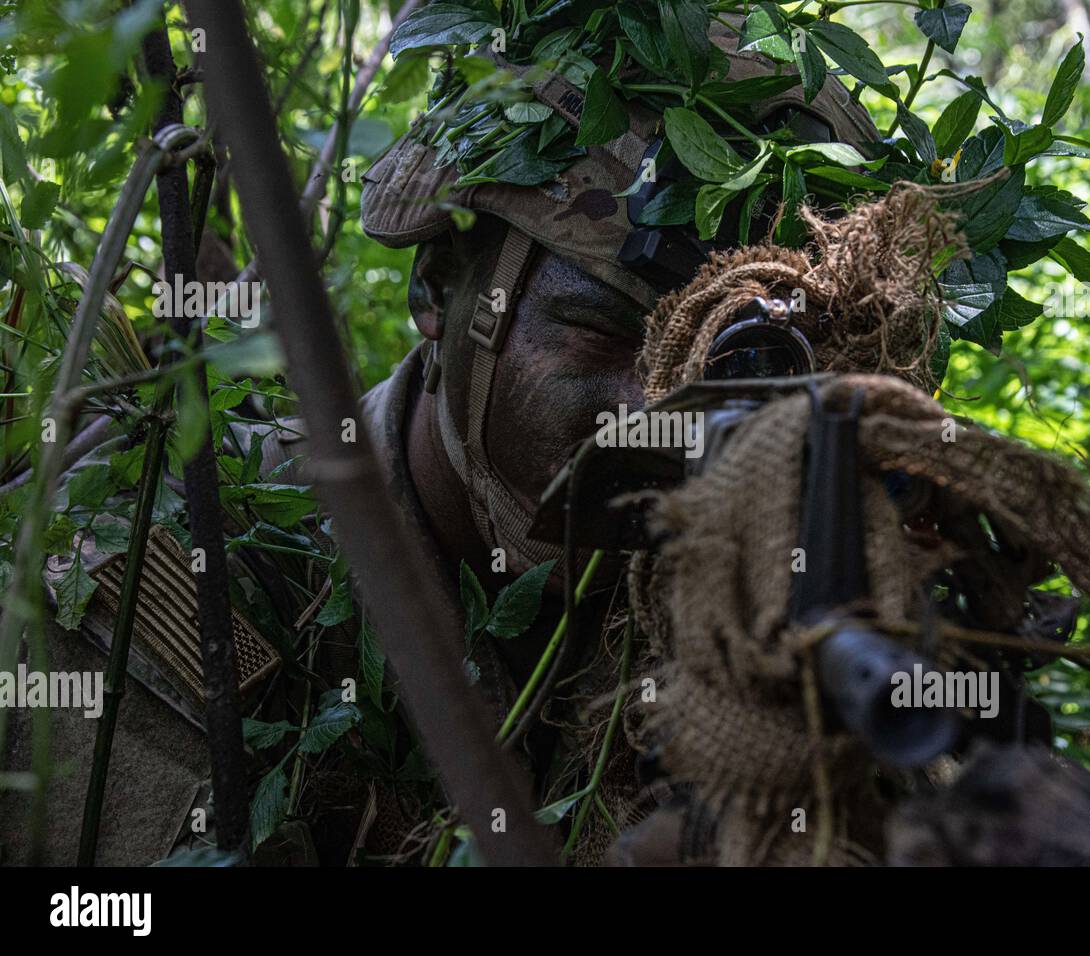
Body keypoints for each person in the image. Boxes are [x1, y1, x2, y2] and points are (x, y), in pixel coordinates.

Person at [0, 25, 879, 866]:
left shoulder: (786, 612)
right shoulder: (183, 565)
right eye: (605, 329)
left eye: (726, 367)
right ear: (439, 286)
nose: (658, 411)